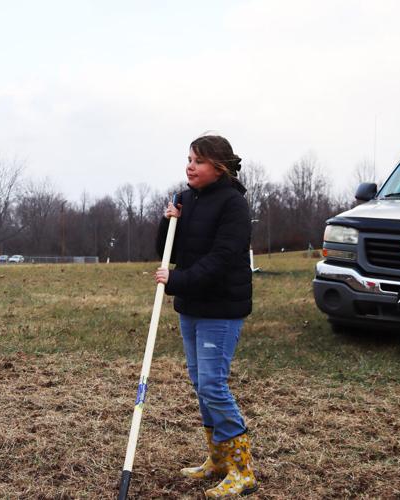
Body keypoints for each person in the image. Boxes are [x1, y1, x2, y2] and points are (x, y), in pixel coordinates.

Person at [155, 135, 257, 497]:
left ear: (219, 167)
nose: (189, 166)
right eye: (188, 159)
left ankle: (242, 469)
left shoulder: (233, 205)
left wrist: (178, 281)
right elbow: (167, 250)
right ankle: (217, 460)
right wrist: (169, 223)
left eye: (197, 161)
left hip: (221, 308)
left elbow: (222, 259)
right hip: (192, 307)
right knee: (201, 385)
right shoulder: (186, 199)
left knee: (213, 385)